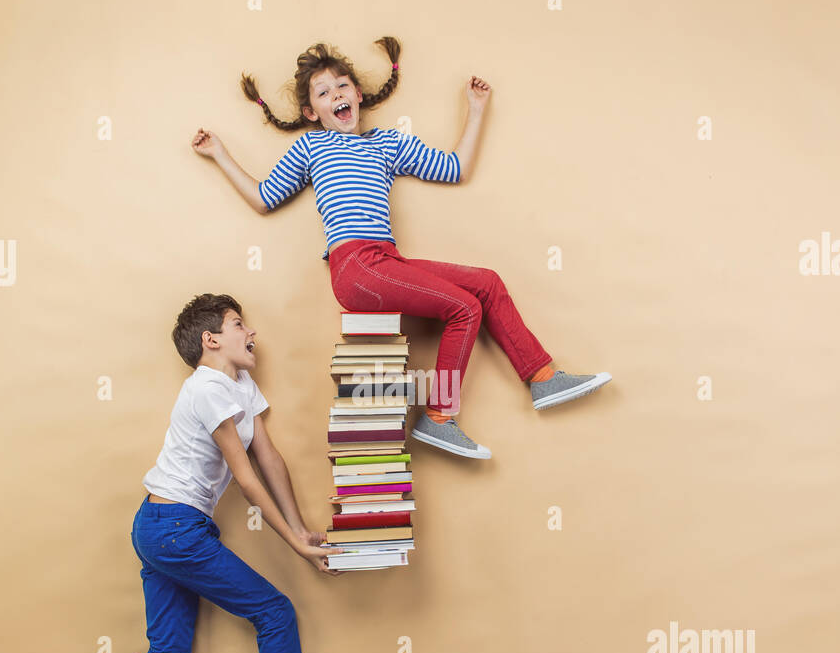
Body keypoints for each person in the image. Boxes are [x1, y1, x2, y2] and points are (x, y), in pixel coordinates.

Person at [191, 36, 611, 460]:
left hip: (387, 262)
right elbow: (264, 197)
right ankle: (439, 419)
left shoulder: (389, 143)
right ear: (310, 112)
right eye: (323, 93)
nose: (336, 95)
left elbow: (456, 168)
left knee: (486, 283)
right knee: (465, 308)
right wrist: (220, 153)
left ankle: (542, 377)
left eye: (342, 86)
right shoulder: (311, 147)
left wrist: (477, 110)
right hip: (356, 266)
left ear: (357, 94)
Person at [26, 294, 352, 653]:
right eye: (239, 323)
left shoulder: (240, 385)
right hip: (174, 528)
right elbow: (244, 478)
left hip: (166, 528)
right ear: (211, 339)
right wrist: (295, 546)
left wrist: (301, 527)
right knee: (274, 613)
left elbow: (267, 456)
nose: (252, 333)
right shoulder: (206, 387)